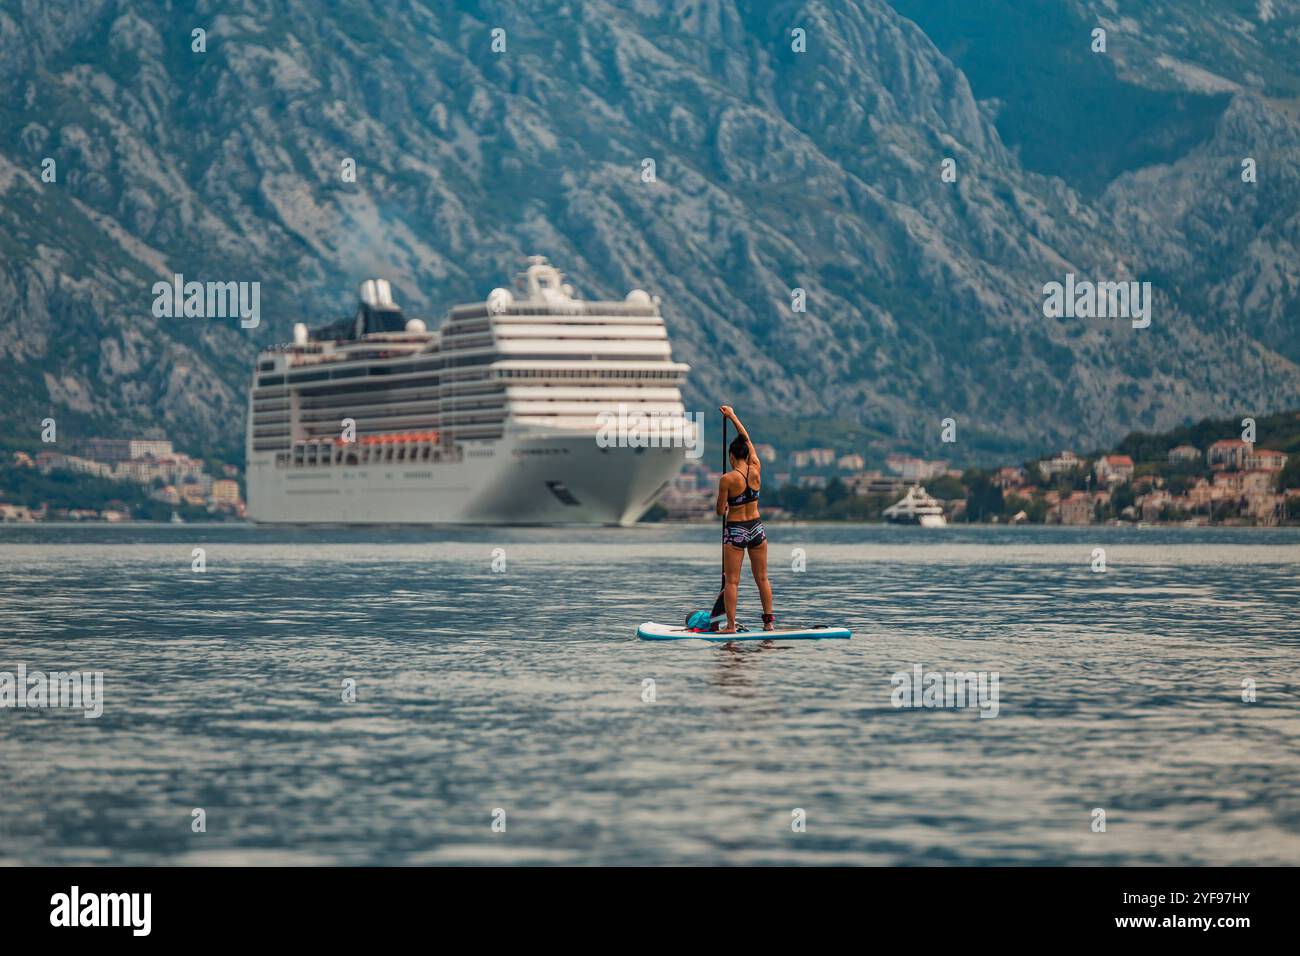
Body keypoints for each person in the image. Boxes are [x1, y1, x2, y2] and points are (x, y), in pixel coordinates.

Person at [712, 406, 774, 632]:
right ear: (747, 454)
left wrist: (726, 504)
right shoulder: (756, 468)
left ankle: (729, 626)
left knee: (732, 581)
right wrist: (733, 417)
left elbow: (720, 511)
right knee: (762, 578)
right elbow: (747, 440)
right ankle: (768, 625)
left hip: (736, 529)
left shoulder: (727, 479)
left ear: (731, 456)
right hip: (757, 528)